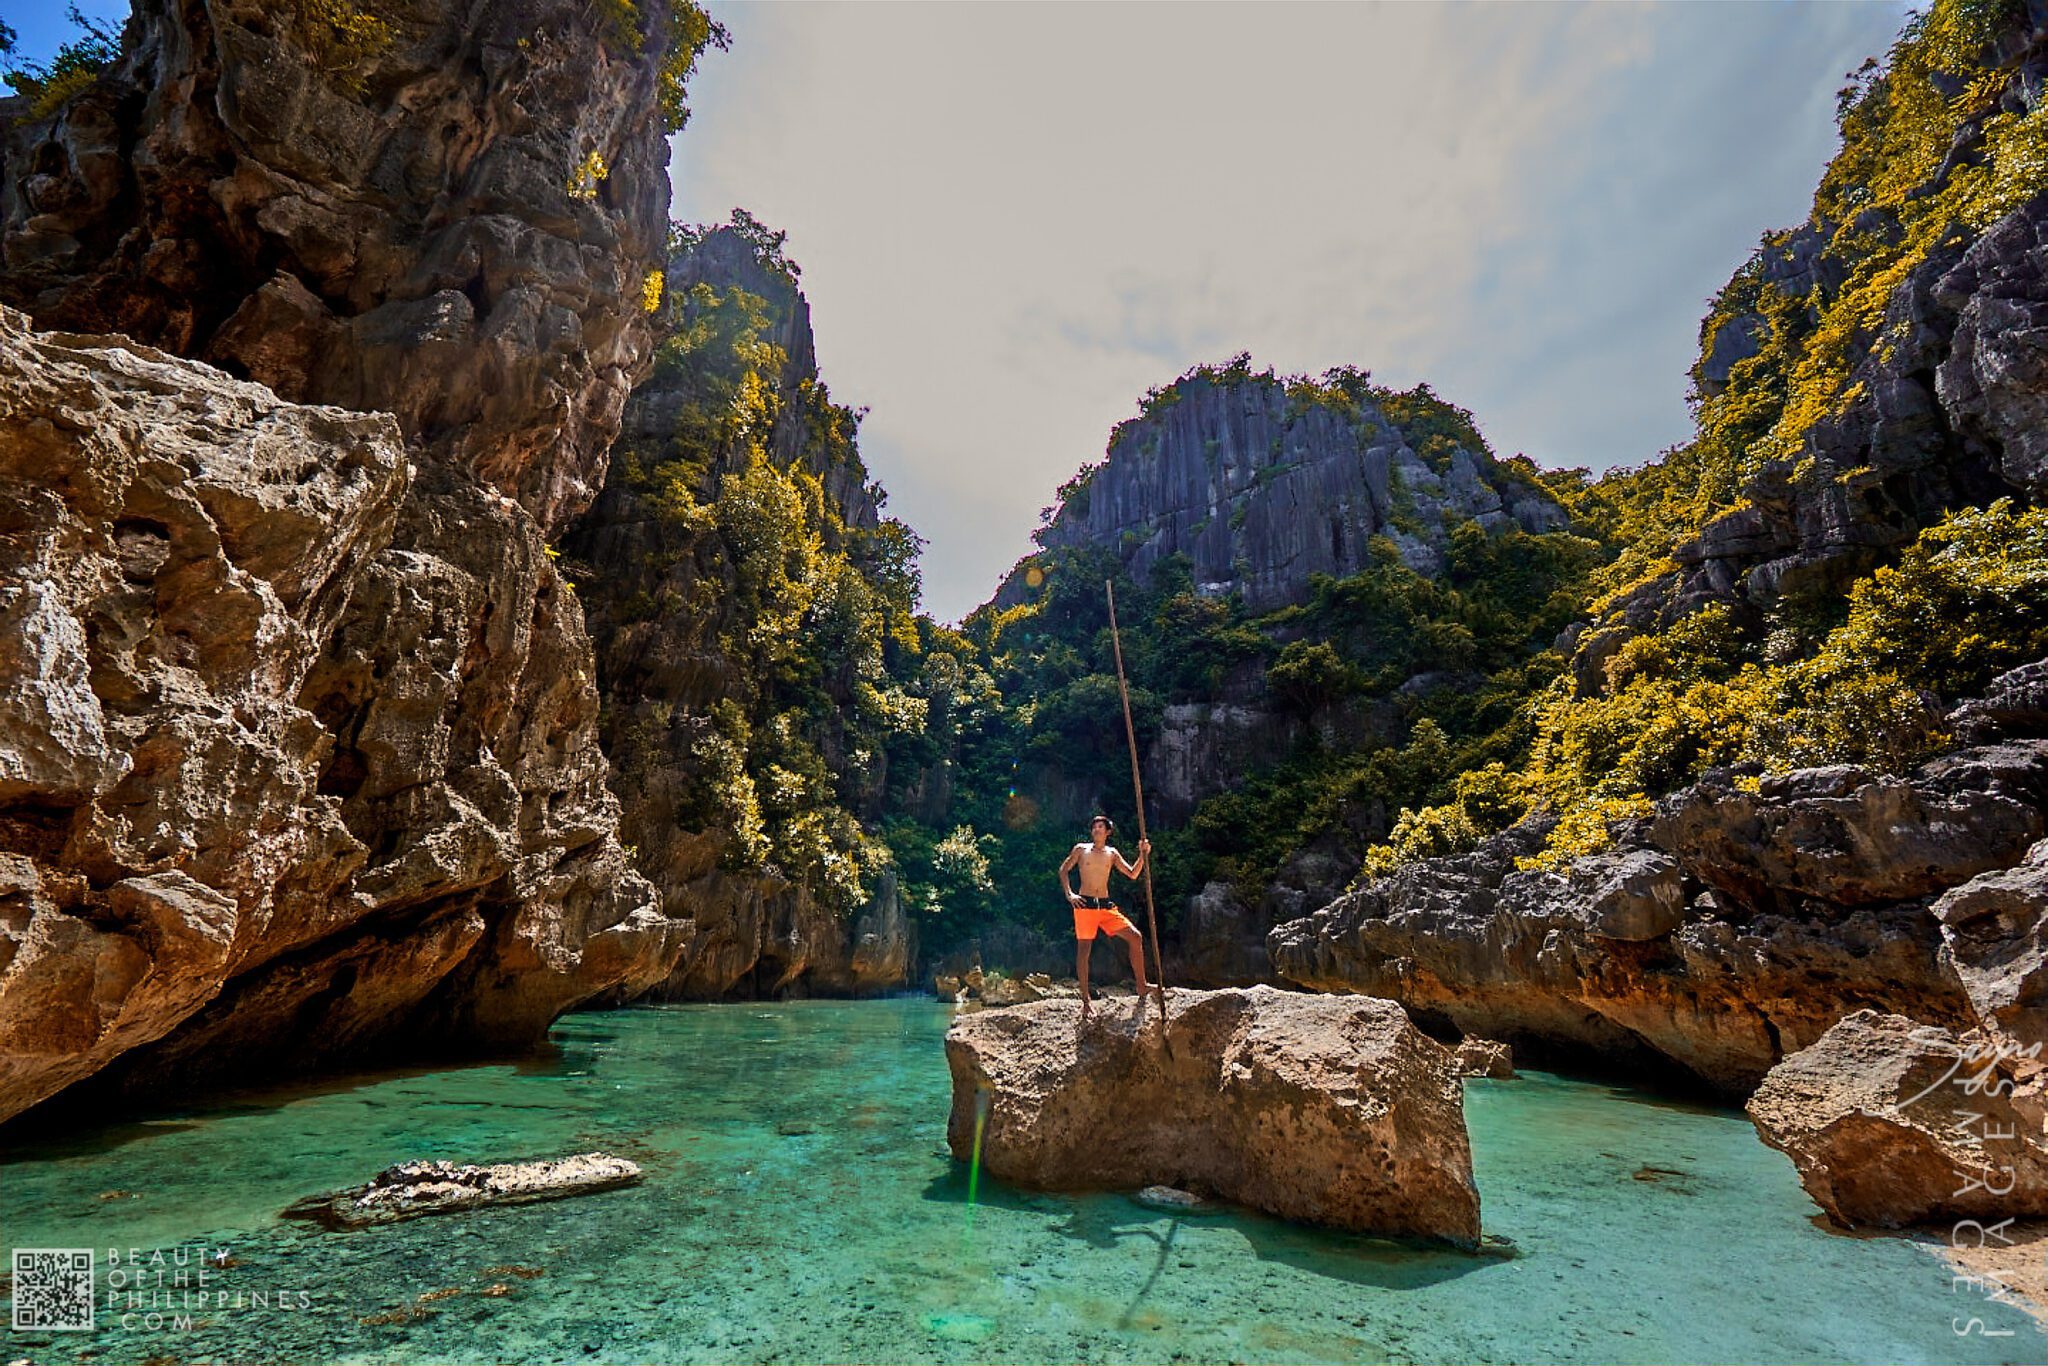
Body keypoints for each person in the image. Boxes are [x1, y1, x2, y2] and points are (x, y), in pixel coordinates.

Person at [1057, 814, 1155, 1022]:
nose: (1096, 830)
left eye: (1100, 827)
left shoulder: (1112, 853)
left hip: (1106, 906)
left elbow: (1132, 874)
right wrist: (1070, 894)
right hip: (1085, 905)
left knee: (1135, 937)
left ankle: (1141, 985)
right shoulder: (1081, 850)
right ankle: (1085, 1001)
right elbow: (1064, 870)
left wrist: (1142, 854)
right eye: (1094, 827)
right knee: (1084, 950)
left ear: (1108, 832)